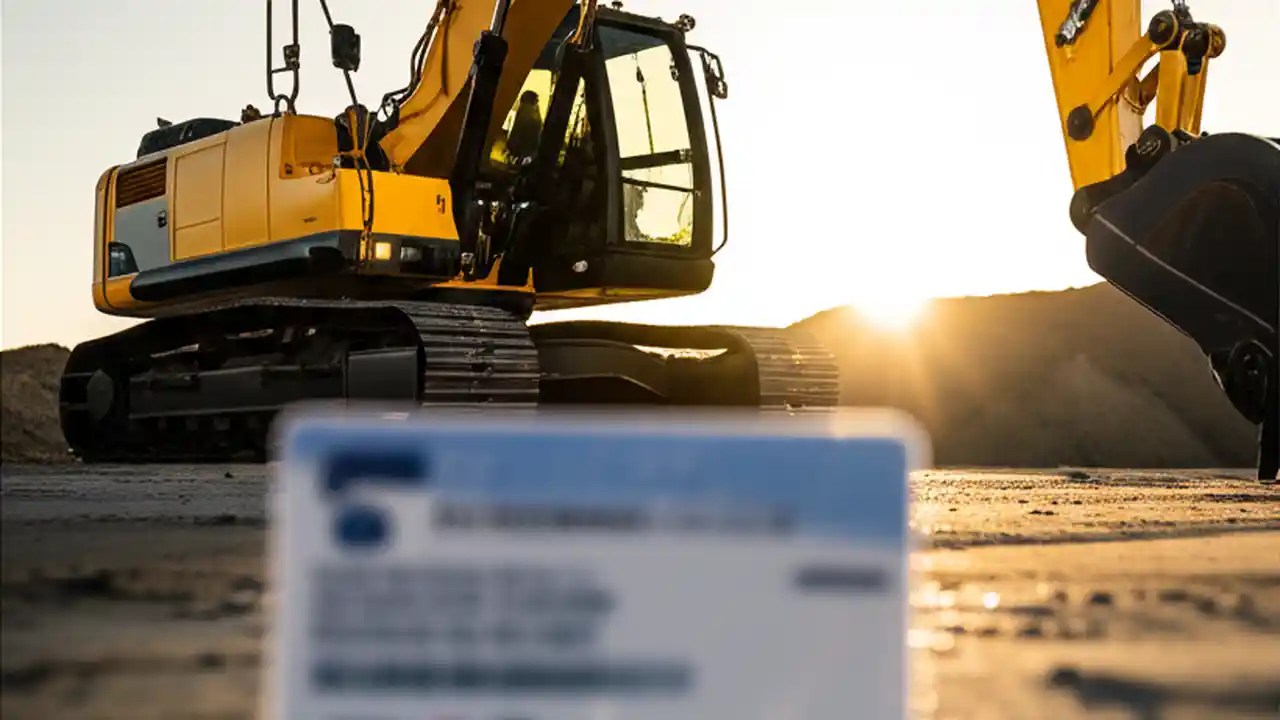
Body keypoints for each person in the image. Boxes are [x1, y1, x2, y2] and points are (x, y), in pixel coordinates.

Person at [505, 90, 543, 165]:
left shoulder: (526, 111)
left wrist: (511, 144)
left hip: (523, 146)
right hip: (529, 148)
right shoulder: (534, 112)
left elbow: (518, 129)